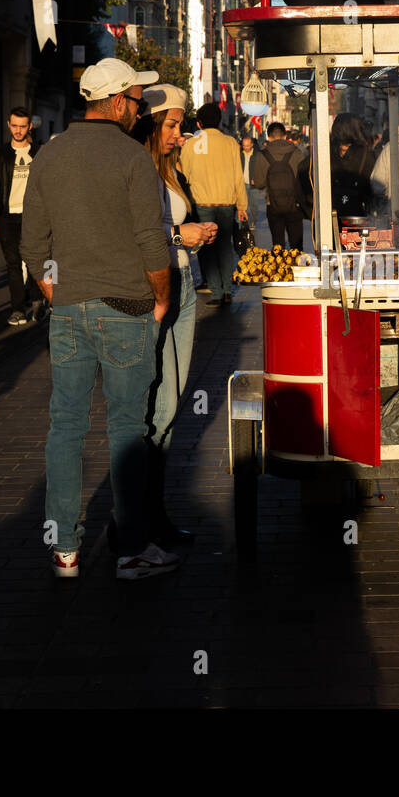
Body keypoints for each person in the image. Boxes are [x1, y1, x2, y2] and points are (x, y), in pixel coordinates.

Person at [19, 57, 178, 580]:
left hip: (68, 310)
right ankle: (131, 549)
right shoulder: (132, 158)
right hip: (127, 306)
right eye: (136, 100)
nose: (140, 110)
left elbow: (31, 241)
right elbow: (152, 240)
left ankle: (64, 547)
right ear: (115, 101)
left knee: (65, 426)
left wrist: (56, 288)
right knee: (127, 429)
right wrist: (161, 297)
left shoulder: (48, 155)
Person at [138, 84, 218, 546]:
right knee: (159, 407)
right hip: (156, 287)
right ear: (152, 125)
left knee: (171, 405)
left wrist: (195, 233)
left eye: (181, 125)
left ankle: (154, 513)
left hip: (184, 284)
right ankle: (135, 516)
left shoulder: (170, 170)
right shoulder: (136, 167)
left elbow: (168, 228)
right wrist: (178, 233)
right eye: (171, 126)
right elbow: (136, 230)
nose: (180, 134)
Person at [180, 102, 247, 305]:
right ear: (219, 121)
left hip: (202, 204)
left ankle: (216, 291)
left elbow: (185, 175)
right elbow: (238, 177)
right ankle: (228, 290)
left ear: (199, 123)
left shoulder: (191, 145)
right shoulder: (231, 143)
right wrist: (242, 205)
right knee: (225, 247)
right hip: (227, 203)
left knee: (207, 249)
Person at [0, 108, 45, 325]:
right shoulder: (0, 154)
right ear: (9, 125)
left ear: (30, 127)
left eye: (23, 126)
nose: (18, 130)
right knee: (13, 264)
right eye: (15, 125)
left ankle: (38, 299)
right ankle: (17, 309)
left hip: (34, 217)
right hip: (8, 218)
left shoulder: (38, 153)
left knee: (37, 260)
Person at [329, 113, 375, 218]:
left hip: (330, 211)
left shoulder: (327, 152)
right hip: (357, 213)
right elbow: (372, 186)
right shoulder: (365, 153)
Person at [241, 134, 267, 228]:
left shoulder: (258, 155)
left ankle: (252, 222)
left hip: (253, 184)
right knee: (242, 206)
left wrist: (257, 179)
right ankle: (243, 223)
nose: (246, 147)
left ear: (252, 144)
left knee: (254, 205)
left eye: (247, 145)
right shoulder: (240, 154)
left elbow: (262, 168)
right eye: (244, 145)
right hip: (242, 184)